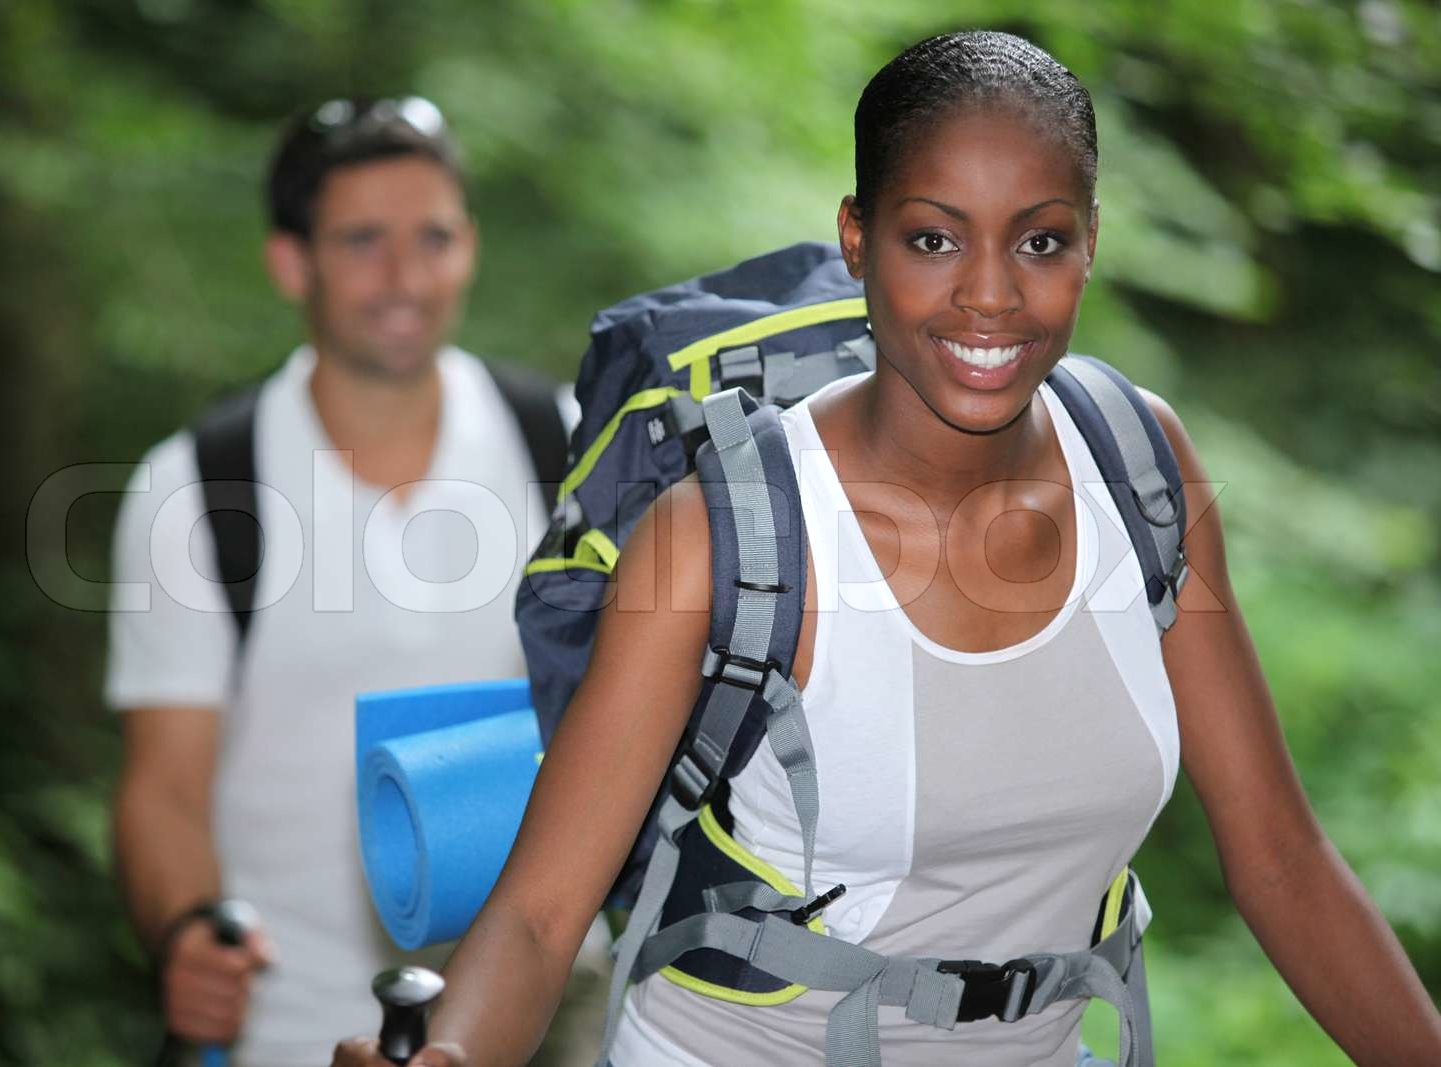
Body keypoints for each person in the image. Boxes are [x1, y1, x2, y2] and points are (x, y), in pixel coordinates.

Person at [329, 32, 1441, 1067]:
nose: (992, 294)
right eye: (934, 238)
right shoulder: (725, 531)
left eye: (1040, 239)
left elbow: (1283, 860)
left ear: (1091, 240)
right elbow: (538, 913)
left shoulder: (1140, 464)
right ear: (858, 238)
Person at [107, 98, 595, 1066]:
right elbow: (162, 785)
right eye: (364, 240)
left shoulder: (570, 444)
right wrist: (186, 934)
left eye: (435, 237)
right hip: (289, 1024)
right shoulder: (198, 484)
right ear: (293, 261)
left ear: (472, 245)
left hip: (557, 1016)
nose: (406, 276)